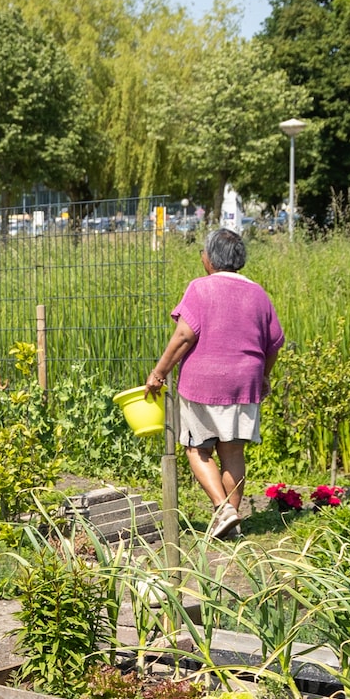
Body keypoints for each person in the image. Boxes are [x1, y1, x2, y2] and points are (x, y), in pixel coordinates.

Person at [143, 229, 283, 537]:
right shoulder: (259, 294)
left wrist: (158, 373)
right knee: (232, 452)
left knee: (197, 449)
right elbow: (274, 343)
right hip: (245, 382)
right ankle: (230, 527)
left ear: (209, 260)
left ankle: (224, 511)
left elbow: (184, 336)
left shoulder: (200, 288)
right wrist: (263, 377)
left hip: (204, 382)